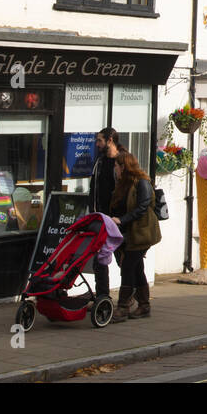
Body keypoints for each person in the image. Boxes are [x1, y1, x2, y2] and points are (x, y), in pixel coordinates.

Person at [109, 150, 162, 321]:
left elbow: (142, 207)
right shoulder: (122, 183)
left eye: (117, 166)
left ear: (124, 167)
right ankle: (144, 306)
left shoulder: (142, 183)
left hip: (142, 232)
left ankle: (123, 306)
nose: (115, 169)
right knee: (136, 267)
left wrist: (121, 220)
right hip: (128, 233)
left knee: (128, 266)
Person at [87, 128, 121, 299]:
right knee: (100, 261)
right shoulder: (100, 161)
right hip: (101, 218)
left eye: (100, 140)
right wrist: (92, 212)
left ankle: (131, 298)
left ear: (109, 140)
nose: (97, 144)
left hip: (117, 220)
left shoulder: (122, 160)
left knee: (124, 261)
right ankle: (102, 297)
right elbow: (93, 188)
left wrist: (122, 217)